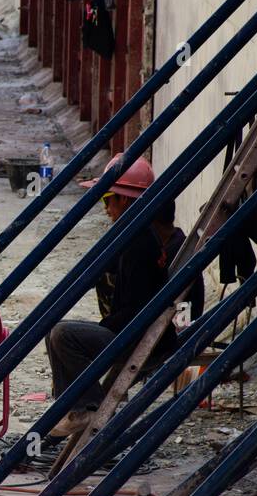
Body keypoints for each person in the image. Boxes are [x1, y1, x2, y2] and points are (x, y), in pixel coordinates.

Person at [45, 152, 203, 438]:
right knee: (55, 331)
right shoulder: (134, 237)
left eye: (109, 200)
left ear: (125, 200)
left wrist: (104, 328)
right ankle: (73, 406)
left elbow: (136, 310)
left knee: (63, 334)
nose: (106, 208)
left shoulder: (139, 243)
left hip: (140, 338)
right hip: (134, 331)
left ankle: (87, 407)